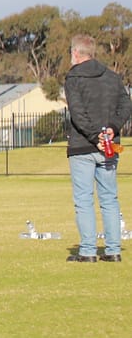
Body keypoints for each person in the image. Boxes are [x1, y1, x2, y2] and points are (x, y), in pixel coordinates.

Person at [64, 34, 132, 263]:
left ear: (75, 53)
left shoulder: (73, 78)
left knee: (84, 199)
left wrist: (95, 137)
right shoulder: (112, 77)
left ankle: (88, 251)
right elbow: (126, 105)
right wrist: (111, 129)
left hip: (83, 146)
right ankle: (113, 250)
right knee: (109, 198)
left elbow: (78, 113)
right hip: (108, 146)